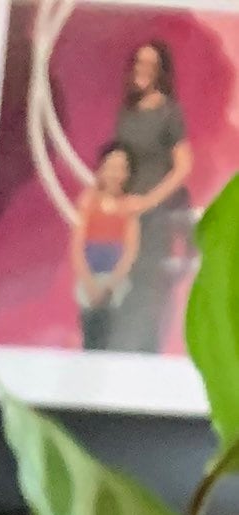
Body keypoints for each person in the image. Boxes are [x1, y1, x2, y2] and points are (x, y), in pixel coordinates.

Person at [105, 36, 195, 353]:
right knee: (118, 286)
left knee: (145, 292)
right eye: (139, 63)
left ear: (160, 71)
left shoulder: (170, 113)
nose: (143, 69)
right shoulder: (127, 111)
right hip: (122, 215)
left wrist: (148, 201)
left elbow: (184, 166)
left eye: (151, 64)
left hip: (154, 218)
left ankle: (140, 358)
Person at [72, 141, 140, 352]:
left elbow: (130, 250)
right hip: (90, 276)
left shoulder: (129, 206)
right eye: (110, 167)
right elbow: (77, 244)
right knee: (90, 335)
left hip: (115, 280)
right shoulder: (88, 201)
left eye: (121, 168)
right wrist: (88, 282)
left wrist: (112, 284)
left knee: (112, 333)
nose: (115, 174)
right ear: (100, 170)